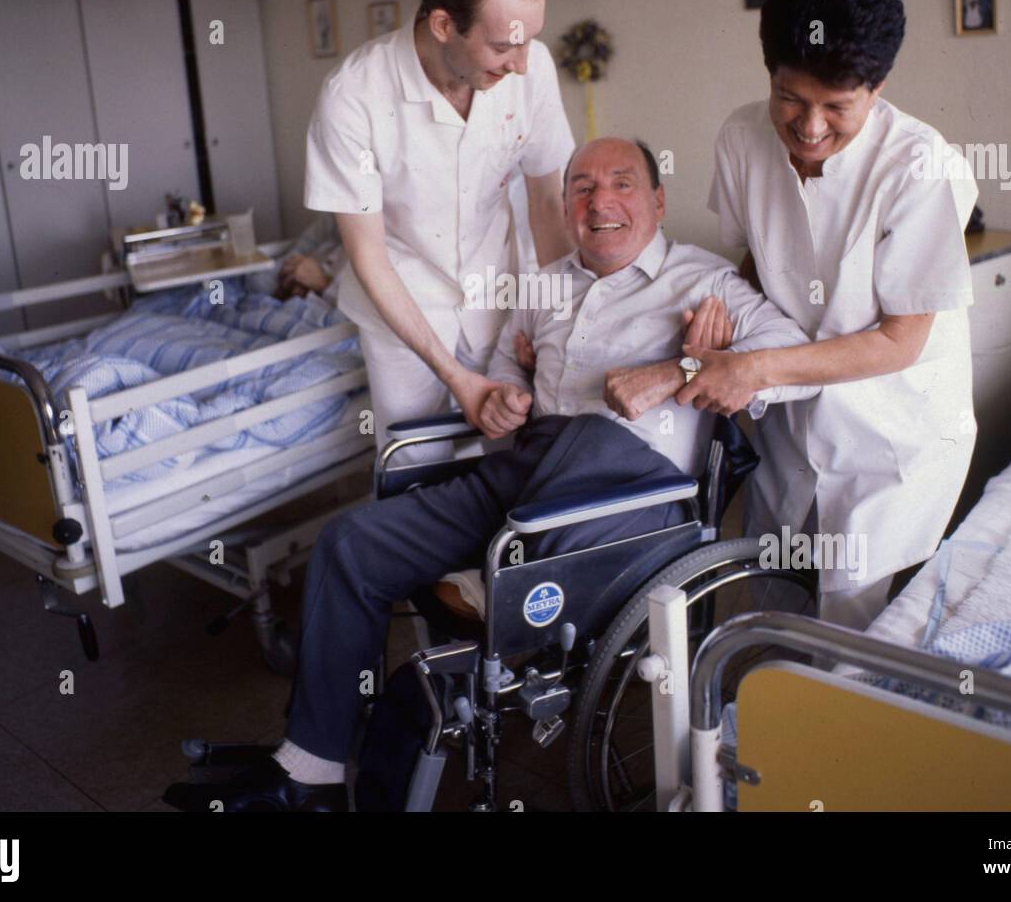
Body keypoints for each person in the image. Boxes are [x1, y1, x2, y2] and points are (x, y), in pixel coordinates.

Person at [163, 136, 818, 812]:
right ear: (566, 208)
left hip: (627, 493)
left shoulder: (704, 283)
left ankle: (486, 598)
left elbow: (794, 355)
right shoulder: (544, 282)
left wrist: (685, 369)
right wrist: (506, 393)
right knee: (348, 544)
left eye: (622, 183)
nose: (601, 201)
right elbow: (506, 359)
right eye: (582, 188)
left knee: (586, 445)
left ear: (657, 199)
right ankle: (312, 768)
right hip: (525, 472)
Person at [693, 0, 979, 631]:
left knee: (851, 623)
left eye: (837, 107)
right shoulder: (741, 139)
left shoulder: (919, 166)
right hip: (793, 421)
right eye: (790, 98)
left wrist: (757, 368)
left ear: (877, 89)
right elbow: (752, 265)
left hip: (892, 430)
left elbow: (899, 338)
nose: (810, 125)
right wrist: (724, 322)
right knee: (772, 594)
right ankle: (753, 729)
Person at [303, 0, 576, 455]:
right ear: (444, 24)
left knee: (519, 459)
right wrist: (455, 378)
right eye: (503, 47)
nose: (521, 65)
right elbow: (369, 256)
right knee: (414, 469)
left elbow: (548, 204)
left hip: (500, 293)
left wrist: (555, 325)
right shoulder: (353, 96)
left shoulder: (531, 67)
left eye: (529, 43)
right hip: (404, 305)